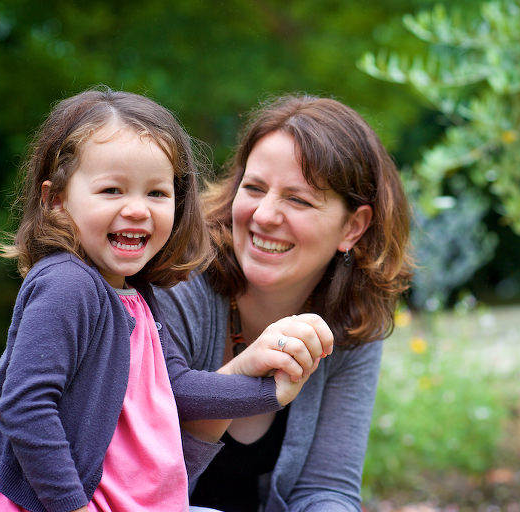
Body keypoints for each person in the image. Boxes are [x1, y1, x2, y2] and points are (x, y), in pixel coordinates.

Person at [0, 87, 332, 512]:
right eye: (112, 190)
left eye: (156, 193)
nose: (138, 209)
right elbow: (26, 407)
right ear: (56, 201)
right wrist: (71, 506)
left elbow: (175, 386)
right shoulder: (68, 285)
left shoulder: (134, 292)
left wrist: (269, 393)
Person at [157, 94, 413, 511]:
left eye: (298, 199)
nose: (264, 215)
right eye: (254, 188)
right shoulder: (173, 288)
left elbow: (326, 490)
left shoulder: (353, 322)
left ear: (353, 227)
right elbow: (141, 479)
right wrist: (241, 377)